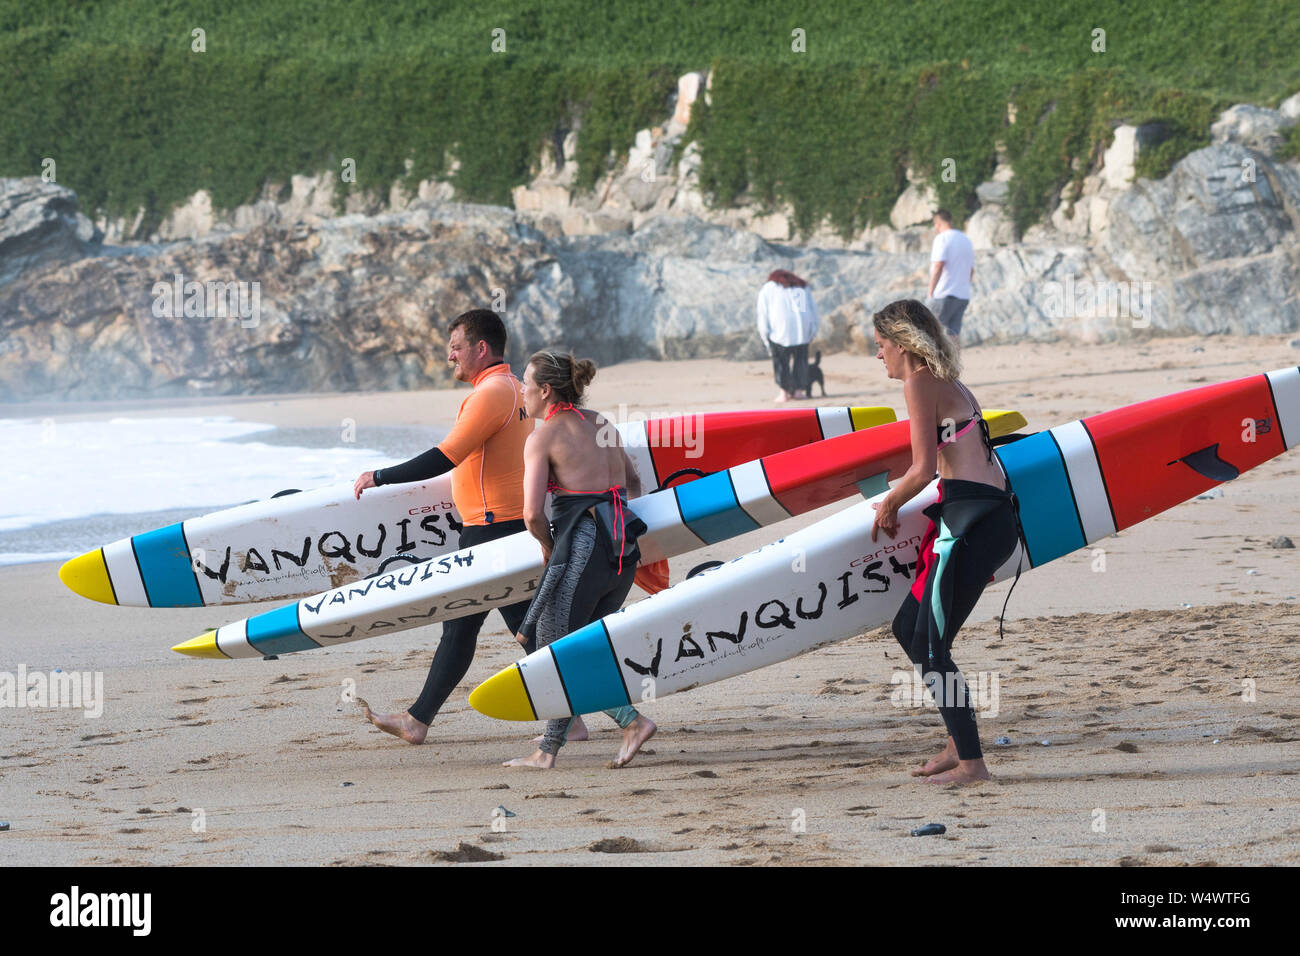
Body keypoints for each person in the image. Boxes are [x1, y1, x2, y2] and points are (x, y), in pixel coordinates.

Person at [352, 308, 544, 745]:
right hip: (503, 525)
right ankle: (417, 720)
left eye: (456, 348)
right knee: (478, 625)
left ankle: (591, 715)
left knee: (515, 628)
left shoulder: (491, 393)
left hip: (491, 530)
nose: (450, 357)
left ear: (481, 348)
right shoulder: (516, 388)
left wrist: (380, 476)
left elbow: (447, 454)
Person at [868, 299, 1019, 785]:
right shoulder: (945, 380)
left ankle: (974, 765)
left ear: (903, 344)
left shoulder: (919, 381)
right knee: (911, 627)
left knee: (930, 644)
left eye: (881, 346)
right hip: (983, 518)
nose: (879, 357)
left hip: (973, 525)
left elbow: (922, 468)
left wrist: (889, 505)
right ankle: (959, 742)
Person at [503, 351, 659, 769]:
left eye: (525, 383)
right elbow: (634, 484)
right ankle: (578, 729)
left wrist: (551, 545)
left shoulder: (543, 436)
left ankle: (596, 734)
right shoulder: (602, 423)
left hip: (583, 550)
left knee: (554, 649)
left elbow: (532, 513)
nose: (521, 389)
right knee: (582, 646)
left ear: (545, 390)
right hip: (622, 551)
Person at [757, 269, 819, 402]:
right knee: (800, 362)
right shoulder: (800, 287)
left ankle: (784, 392)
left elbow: (763, 314)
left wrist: (765, 335)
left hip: (779, 333)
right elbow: (809, 311)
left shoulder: (769, 288)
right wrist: (813, 330)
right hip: (801, 332)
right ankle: (798, 391)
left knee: (781, 364)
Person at [928, 210, 975, 341]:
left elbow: (938, 265)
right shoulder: (966, 239)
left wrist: (931, 291)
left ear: (937, 223)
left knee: (931, 332)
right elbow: (971, 270)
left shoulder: (942, 238)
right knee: (954, 333)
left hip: (944, 293)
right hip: (962, 295)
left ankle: (934, 362)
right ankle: (954, 361)